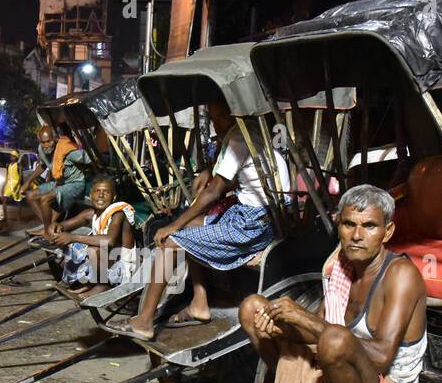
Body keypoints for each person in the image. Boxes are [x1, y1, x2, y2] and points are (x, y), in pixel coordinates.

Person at [240, 185, 428, 383]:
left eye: (369, 226)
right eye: (349, 224)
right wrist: (281, 323)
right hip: (337, 378)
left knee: (335, 339)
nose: (357, 235)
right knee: (252, 308)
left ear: (387, 232)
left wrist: (302, 318)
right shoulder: (341, 266)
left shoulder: (401, 275)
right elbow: (317, 331)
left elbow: (379, 358)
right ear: (339, 224)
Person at [107, 97, 291, 340]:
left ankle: (144, 322)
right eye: (213, 119)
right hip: (262, 214)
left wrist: (174, 224)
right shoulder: (251, 132)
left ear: (233, 115)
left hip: (251, 223)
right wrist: (207, 171)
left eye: (219, 118)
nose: (216, 124)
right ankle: (199, 301)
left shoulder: (238, 138)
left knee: (173, 241)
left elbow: (215, 191)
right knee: (192, 228)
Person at [48, 175, 137, 294]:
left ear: (114, 197)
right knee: (71, 245)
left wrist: (73, 237)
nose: (101, 195)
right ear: (91, 196)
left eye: (106, 192)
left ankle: (102, 285)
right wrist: (55, 226)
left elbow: (109, 240)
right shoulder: (90, 213)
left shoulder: (118, 214)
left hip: (123, 267)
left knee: (93, 249)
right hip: (106, 263)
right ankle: (82, 281)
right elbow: (64, 225)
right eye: (97, 191)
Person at [26, 125, 86, 233]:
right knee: (30, 196)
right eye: (42, 142)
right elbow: (43, 165)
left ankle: (47, 231)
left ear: (56, 139)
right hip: (59, 183)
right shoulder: (42, 150)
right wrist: (27, 182)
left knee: (45, 199)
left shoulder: (68, 152)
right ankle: (47, 226)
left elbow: (89, 158)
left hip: (74, 184)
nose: (46, 145)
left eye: (48, 141)